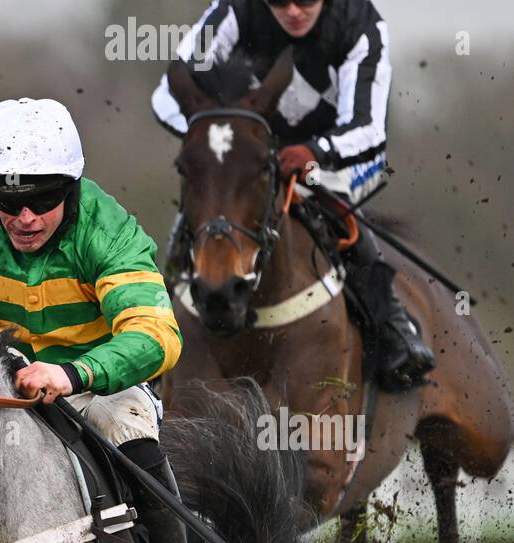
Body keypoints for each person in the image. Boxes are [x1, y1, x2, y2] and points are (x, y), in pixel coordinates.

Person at [0, 97, 213, 543]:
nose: (23, 219)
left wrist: (72, 373)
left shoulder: (108, 231)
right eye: (5, 204)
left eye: (41, 201)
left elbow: (160, 336)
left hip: (92, 388)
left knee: (123, 422)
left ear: (71, 189)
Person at [152, 0, 435, 389]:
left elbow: (368, 128)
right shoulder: (235, 10)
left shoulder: (362, 26)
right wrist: (218, 132)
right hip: (250, 147)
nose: (293, 12)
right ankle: (157, 321)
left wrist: (316, 152)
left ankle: (393, 326)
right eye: (280, 2)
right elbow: (166, 96)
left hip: (339, 154)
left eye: (305, 0)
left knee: (334, 209)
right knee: (203, 208)